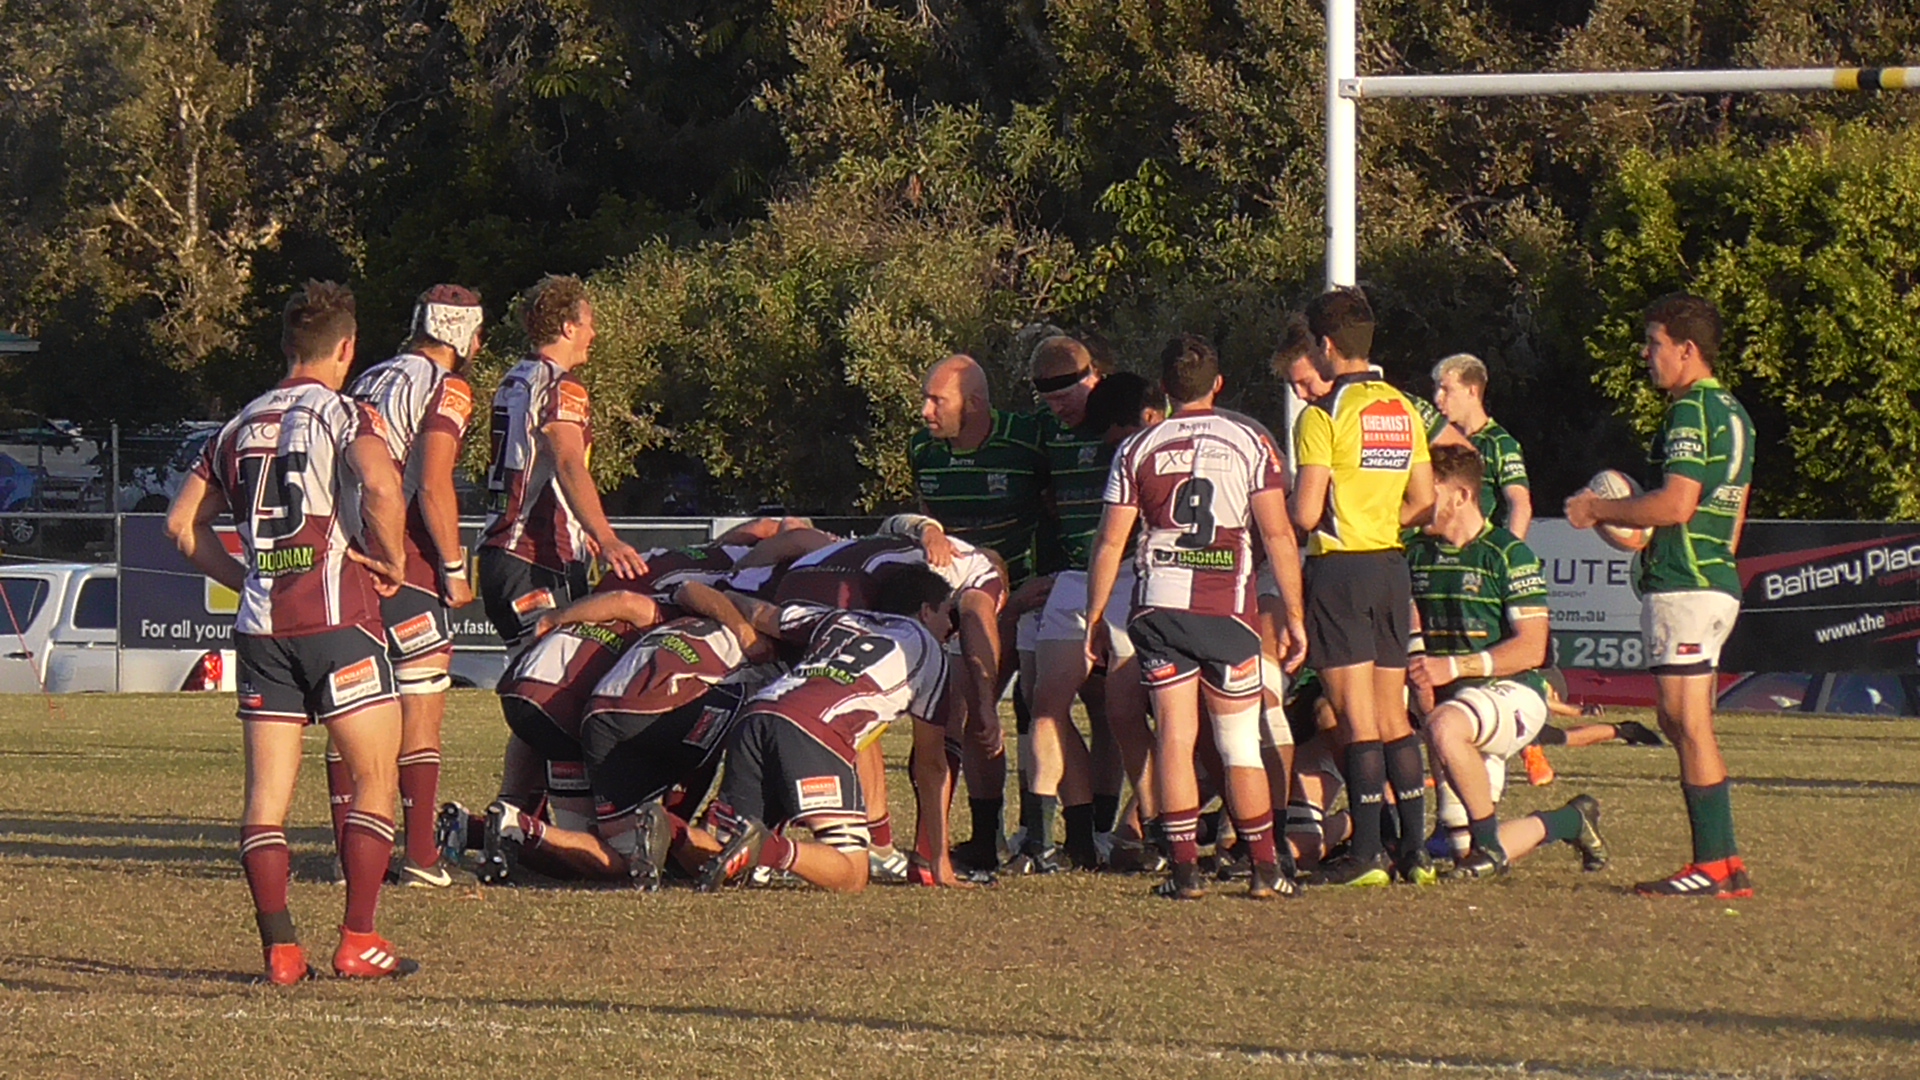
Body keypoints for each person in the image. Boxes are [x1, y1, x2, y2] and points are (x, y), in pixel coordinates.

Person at [165, 280, 416, 983]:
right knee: (374, 781)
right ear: (346, 349)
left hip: (262, 632)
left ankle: (280, 948)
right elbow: (382, 486)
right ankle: (358, 938)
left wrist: (246, 576)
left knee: (265, 802)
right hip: (338, 621)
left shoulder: (237, 426)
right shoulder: (344, 413)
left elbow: (181, 526)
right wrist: (392, 558)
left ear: (284, 348)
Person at [1085, 334, 1308, 901]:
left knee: (1176, 740)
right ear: (1218, 384)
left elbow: (1110, 543)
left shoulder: (1137, 447)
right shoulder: (1252, 440)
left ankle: (1184, 872)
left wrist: (1092, 615)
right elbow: (1279, 534)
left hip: (1159, 608)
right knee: (1238, 743)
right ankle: (1265, 869)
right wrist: (1295, 616)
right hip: (1225, 612)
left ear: (1163, 388)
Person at [1565, 292, 1755, 899]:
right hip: (1709, 575)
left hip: (1688, 584)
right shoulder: (1734, 413)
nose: (1648, 355)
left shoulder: (1690, 411)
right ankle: (1723, 864)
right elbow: (1733, 509)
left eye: (1654, 343)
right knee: (1680, 720)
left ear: (1686, 349)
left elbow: (1677, 504)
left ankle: (1713, 865)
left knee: (1688, 723)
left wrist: (1599, 508)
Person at [681, 567, 957, 893]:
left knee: (727, 854)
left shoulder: (838, 619)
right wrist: (939, 860)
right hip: (813, 729)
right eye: (948, 613)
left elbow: (760, 612)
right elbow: (931, 765)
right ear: (926, 611)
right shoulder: (930, 651)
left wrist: (727, 596)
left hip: (757, 714)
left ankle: (666, 830)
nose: (952, 626)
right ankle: (767, 847)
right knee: (853, 874)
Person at [1288, 286, 1437, 887]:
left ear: (1325, 347)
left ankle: (1367, 853)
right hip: (1390, 565)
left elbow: (1304, 513)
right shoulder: (1402, 407)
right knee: (1392, 715)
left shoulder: (1322, 416)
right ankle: (1417, 853)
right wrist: (1381, 523)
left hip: (1341, 567)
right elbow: (1424, 499)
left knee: (1355, 718)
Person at [1406, 444, 1608, 879]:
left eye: (1428, 490)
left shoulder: (1506, 554)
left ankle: (1485, 844)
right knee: (1460, 854)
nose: (1417, 501)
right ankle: (1570, 820)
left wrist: (1455, 667)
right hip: (1455, 703)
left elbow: (1532, 648)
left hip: (1514, 694)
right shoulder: (1416, 552)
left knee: (1446, 725)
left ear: (1460, 496)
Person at [341, 284, 483, 889]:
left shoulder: (371, 377)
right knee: (421, 705)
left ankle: (353, 858)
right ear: (460, 333)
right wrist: (453, 568)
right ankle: (421, 856)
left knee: (352, 709)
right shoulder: (446, 385)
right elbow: (432, 481)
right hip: (405, 557)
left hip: (346, 555)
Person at [909, 354, 1048, 870]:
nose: (925, 411)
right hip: (961, 599)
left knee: (1007, 711)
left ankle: (1047, 836)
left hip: (1019, 596)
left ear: (974, 404)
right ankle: (984, 839)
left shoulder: (1025, 441)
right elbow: (925, 514)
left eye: (936, 400)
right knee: (962, 714)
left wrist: (1046, 579)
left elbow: (1058, 507)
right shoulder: (923, 449)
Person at [478, 273, 646, 647]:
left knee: (536, 677)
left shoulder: (514, 379)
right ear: (569, 328)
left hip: (500, 551)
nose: (594, 335)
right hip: (535, 556)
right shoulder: (562, 385)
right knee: (554, 679)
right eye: (590, 324)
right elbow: (568, 461)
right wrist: (606, 537)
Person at [1022, 335, 1120, 871]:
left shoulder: (1126, 417)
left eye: (1066, 396)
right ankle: (1056, 835)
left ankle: (1113, 829)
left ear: (1093, 375)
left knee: (1117, 711)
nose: (1059, 409)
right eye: (1049, 400)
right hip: (1072, 579)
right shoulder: (1045, 431)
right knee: (1046, 701)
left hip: (1128, 578)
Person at [1431, 353, 1532, 538]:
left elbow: (1520, 503)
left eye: (1446, 389)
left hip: (1480, 552)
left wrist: (1508, 553)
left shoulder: (1498, 443)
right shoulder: (1438, 441)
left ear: (1472, 391)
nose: (1438, 397)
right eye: (1437, 388)